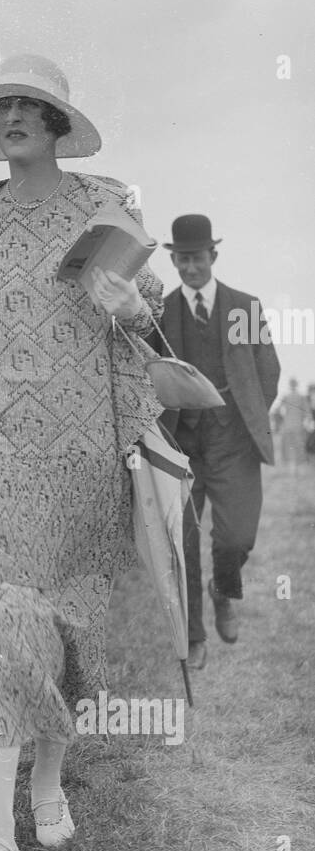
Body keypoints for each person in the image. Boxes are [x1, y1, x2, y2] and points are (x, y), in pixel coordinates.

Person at [0, 54, 164, 851]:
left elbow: (145, 312)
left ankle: (49, 781)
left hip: (78, 451)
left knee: (62, 628)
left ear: (57, 122)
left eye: (30, 105)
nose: (13, 116)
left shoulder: (104, 204)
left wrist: (131, 306)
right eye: (1, 105)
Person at [156, 215, 280, 669]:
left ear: (214, 256)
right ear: (173, 259)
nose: (190, 268)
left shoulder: (242, 309)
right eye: (182, 259)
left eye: (197, 258)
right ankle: (193, 635)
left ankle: (224, 590)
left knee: (237, 538)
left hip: (234, 443)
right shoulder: (161, 313)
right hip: (182, 448)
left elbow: (269, 371)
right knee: (183, 543)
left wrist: (245, 413)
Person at [274, 378, 309, 474]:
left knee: (289, 446)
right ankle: (299, 469)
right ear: (297, 385)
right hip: (298, 425)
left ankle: (291, 468)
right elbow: (307, 412)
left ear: (290, 385)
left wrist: (282, 420)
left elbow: (277, 410)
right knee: (299, 446)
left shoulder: (286, 396)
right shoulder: (301, 397)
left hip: (287, 425)